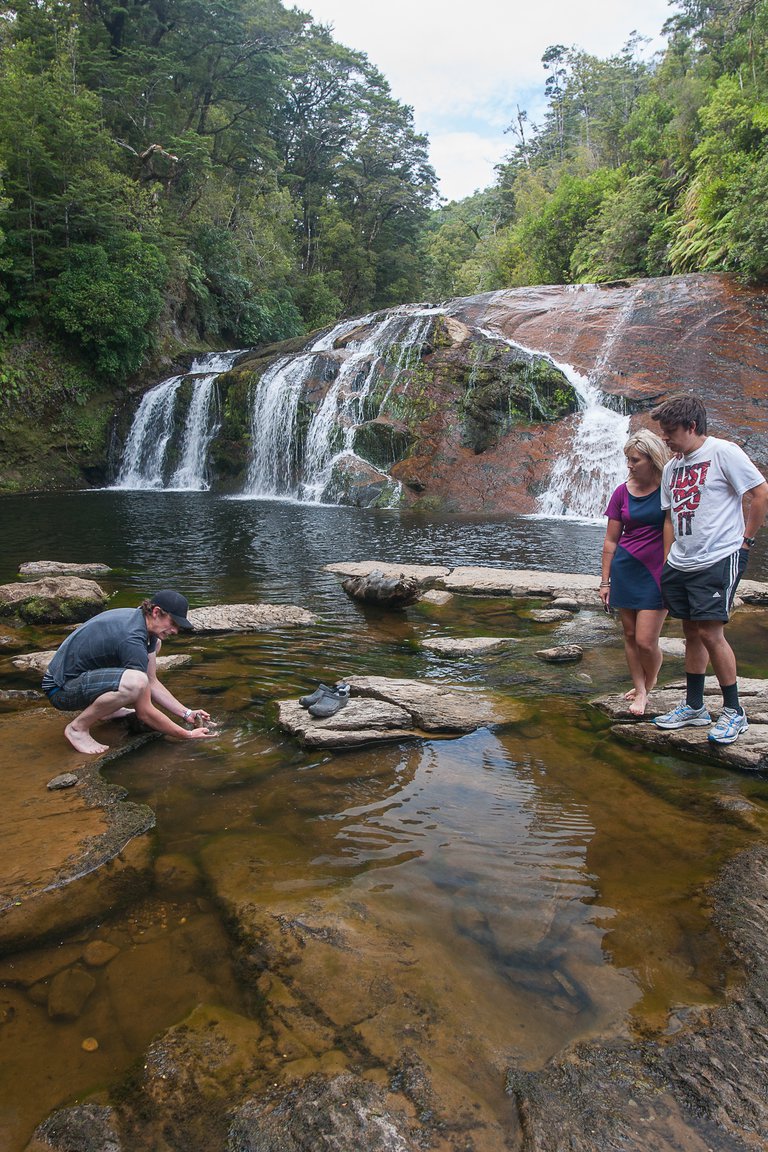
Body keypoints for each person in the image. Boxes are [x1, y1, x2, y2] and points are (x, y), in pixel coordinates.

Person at [651, 394, 768, 744]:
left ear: (692, 426)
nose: (665, 438)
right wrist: (669, 555)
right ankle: (695, 706)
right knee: (690, 631)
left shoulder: (723, 452)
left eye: (671, 431)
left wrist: (745, 542)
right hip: (681, 561)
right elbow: (670, 515)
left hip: (718, 557)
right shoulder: (672, 467)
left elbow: (760, 493)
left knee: (710, 632)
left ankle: (734, 711)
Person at [42, 589, 213, 755]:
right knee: (135, 683)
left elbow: (152, 680)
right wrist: (186, 735)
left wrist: (187, 713)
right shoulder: (131, 638)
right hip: (60, 689)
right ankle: (77, 728)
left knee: (148, 662)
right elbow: (144, 712)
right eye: (173, 623)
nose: (175, 631)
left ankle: (107, 710)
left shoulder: (143, 622)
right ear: (156, 612)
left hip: (78, 676)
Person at [600, 429, 670, 715]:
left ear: (652, 460)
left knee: (645, 640)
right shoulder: (621, 492)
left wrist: (670, 569)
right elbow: (611, 540)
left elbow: (674, 529)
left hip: (657, 572)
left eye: (635, 460)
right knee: (629, 635)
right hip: (625, 568)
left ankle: (650, 680)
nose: (629, 465)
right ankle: (640, 691)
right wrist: (605, 581)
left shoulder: (668, 487)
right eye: (628, 460)